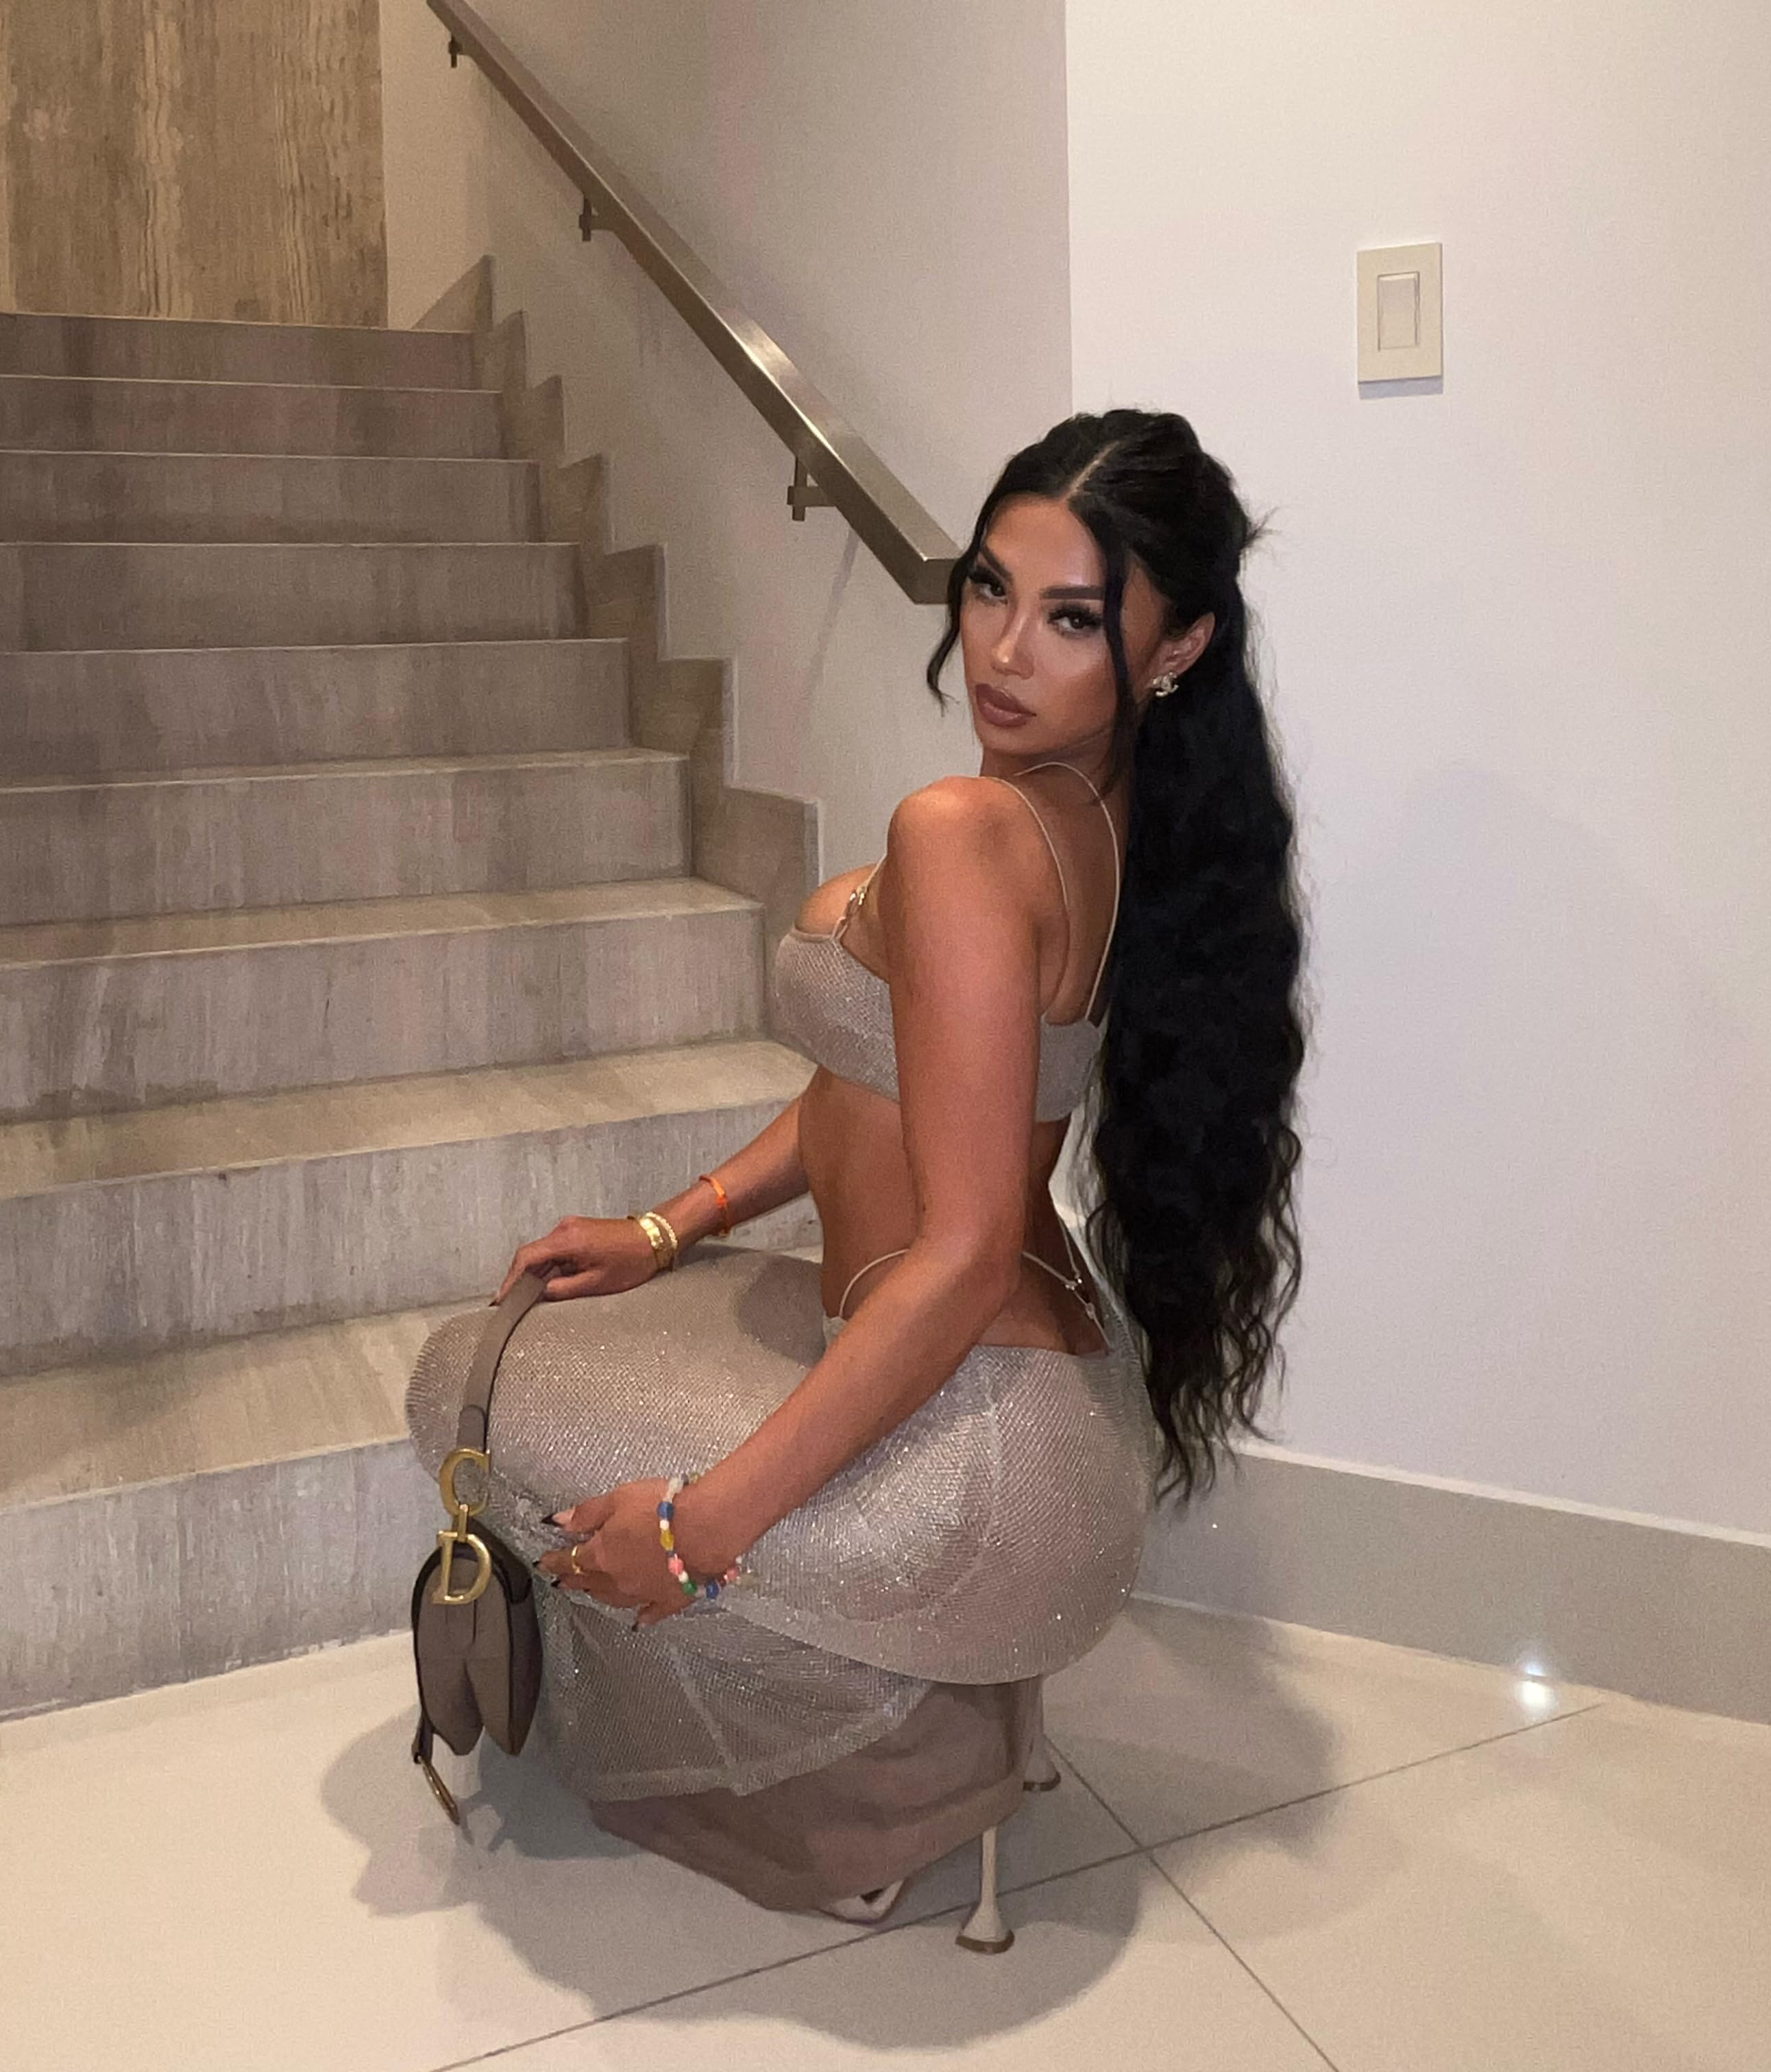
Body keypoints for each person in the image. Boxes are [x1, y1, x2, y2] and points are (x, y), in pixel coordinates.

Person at [405, 407, 1306, 1927]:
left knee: (461, 1379)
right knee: (578, 1343)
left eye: (1072, 618)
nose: (1003, 651)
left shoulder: (963, 831)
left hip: (967, 1436)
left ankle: (863, 1789)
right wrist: (667, 1226)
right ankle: (919, 1718)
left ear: (1176, 647)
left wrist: (696, 1534)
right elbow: (877, 1085)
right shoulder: (1117, 817)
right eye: (990, 587)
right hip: (1029, 1408)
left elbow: (958, 1253)